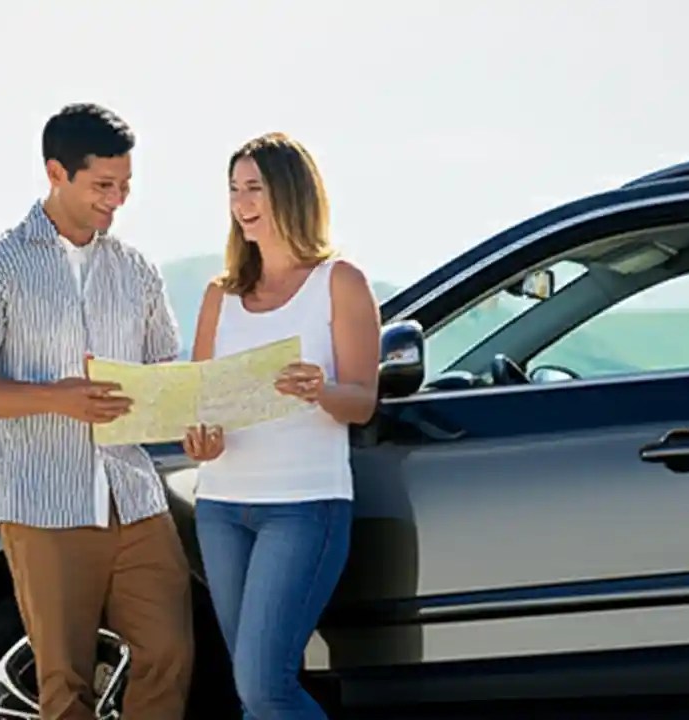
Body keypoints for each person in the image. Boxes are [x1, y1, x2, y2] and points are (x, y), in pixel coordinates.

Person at [0, 103, 193, 720]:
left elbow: (165, 372)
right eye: (103, 186)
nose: (117, 200)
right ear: (56, 172)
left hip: (133, 496)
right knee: (65, 683)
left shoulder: (136, 270)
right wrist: (57, 398)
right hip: (45, 503)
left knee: (170, 653)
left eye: (125, 186)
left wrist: (187, 408)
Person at [182, 131, 380, 719]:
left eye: (255, 189)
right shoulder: (221, 296)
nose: (241, 203)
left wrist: (321, 391)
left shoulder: (339, 282)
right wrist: (201, 440)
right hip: (221, 509)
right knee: (254, 693)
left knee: (265, 685)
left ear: (290, 195)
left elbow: (363, 402)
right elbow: (202, 402)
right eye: (234, 189)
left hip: (303, 507)